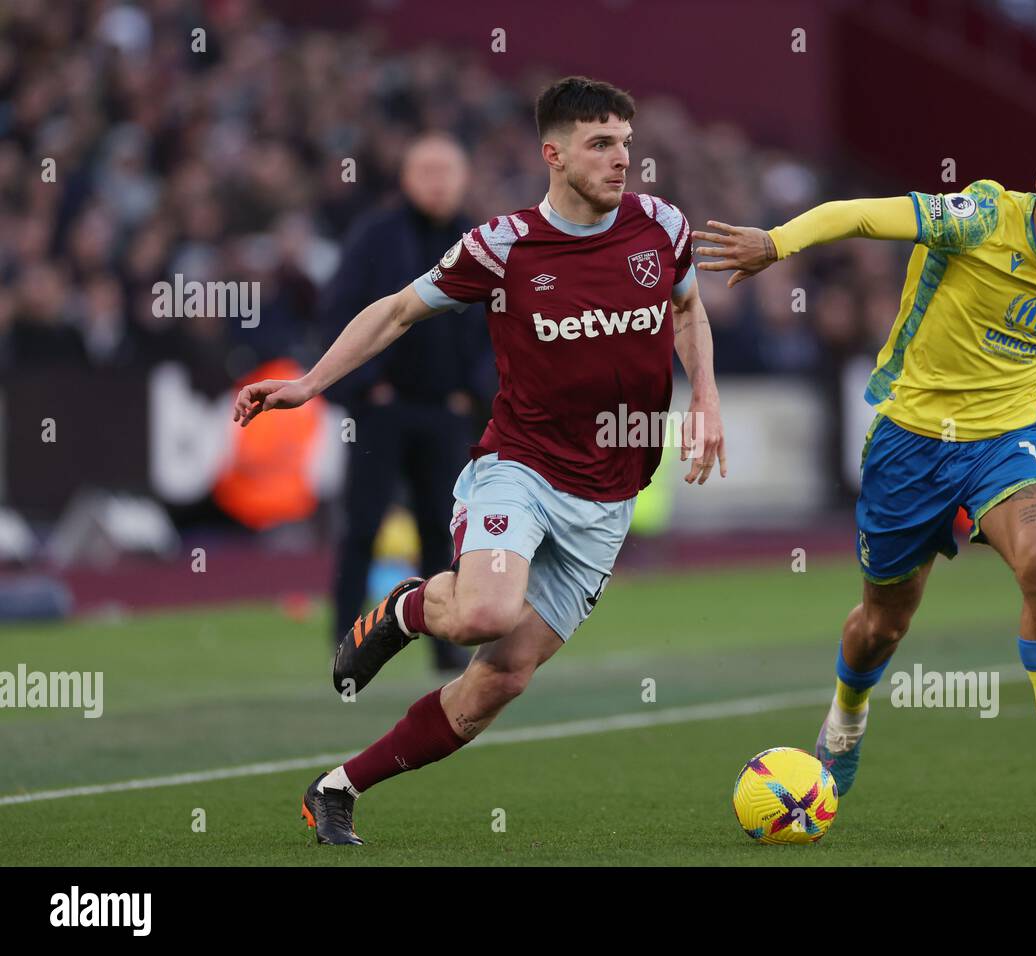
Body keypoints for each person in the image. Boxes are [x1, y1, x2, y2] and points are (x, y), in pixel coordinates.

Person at [233, 76, 726, 845]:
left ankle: (337, 788)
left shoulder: (661, 226)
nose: (621, 159)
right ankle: (407, 609)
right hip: (520, 468)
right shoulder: (503, 247)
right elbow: (397, 310)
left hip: (609, 498)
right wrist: (310, 383)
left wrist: (706, 401)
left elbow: (688, 309)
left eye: (626, 143)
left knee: (498, 682)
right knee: (483, 613)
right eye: (601, 144)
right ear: (553, 155)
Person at [693, 128, 1036, 814]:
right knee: (883, 624)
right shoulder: (980, 217)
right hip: (911, 441)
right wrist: (776, 243)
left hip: (1007, 439)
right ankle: (846, 719)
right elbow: (861, 215)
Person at [319, 134, 492, 676]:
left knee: (443, 527)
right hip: (382, 412)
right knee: (363, 525)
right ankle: (345, 640)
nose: (438, 182)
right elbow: (341, 309)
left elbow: (501, 325)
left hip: (446, 412)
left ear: (464, 178)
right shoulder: (375, 235)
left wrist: (474, 392)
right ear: (406, 177)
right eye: (427, 170)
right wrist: (367, 384)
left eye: (447, 170)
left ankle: (445, 641)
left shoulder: (481, 240)